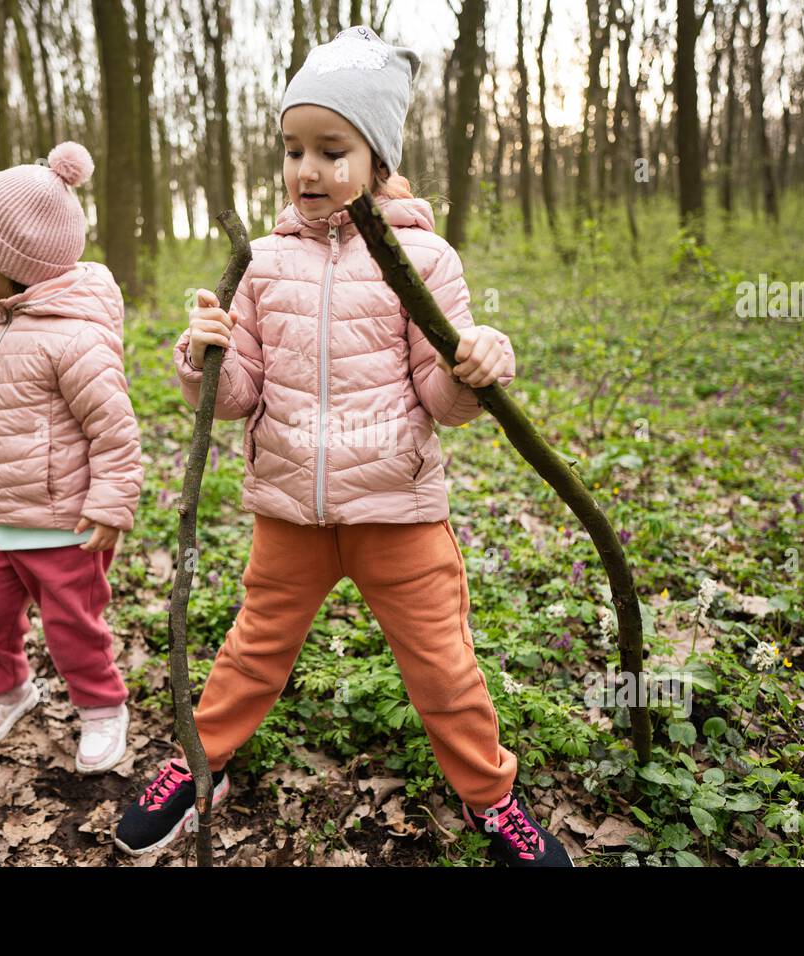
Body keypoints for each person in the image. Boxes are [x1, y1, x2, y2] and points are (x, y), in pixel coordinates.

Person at [114, 27, 571, 866]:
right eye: (294, 150)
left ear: (379, 160)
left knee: (442, 667)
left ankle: (491, 801)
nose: (308, 170)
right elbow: (239, 394)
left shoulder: (420, 259)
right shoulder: (261, 262)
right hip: (290, 509)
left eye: (333, 149)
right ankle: (197, 764)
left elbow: (442, 396)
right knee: (251, 651)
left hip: (397, 510)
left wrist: (474, 367)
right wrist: (204, 354)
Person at [0, 141, 142, 775]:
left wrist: (111, 504)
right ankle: (7, 691)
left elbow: (114, 430)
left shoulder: (75, 338)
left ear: (12, 264)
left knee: (73, 628)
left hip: (64, 527)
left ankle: (103, 708)